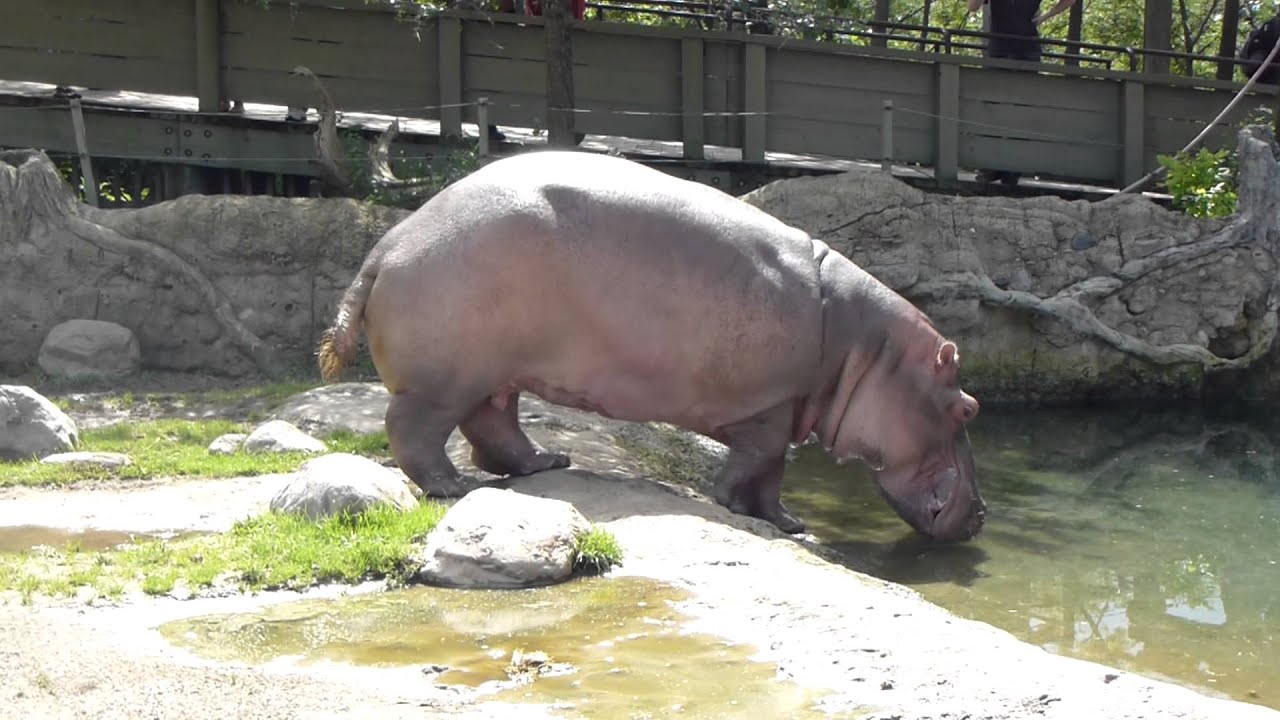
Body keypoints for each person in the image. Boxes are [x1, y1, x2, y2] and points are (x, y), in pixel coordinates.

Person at [966, 0, 1076, 186]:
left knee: (1022, 109)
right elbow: (972, 6)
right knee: (993, 107)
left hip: (1026, 49)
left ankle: (1012, 168)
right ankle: (992, 166)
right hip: (1001, 48)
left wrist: (1044, 17)